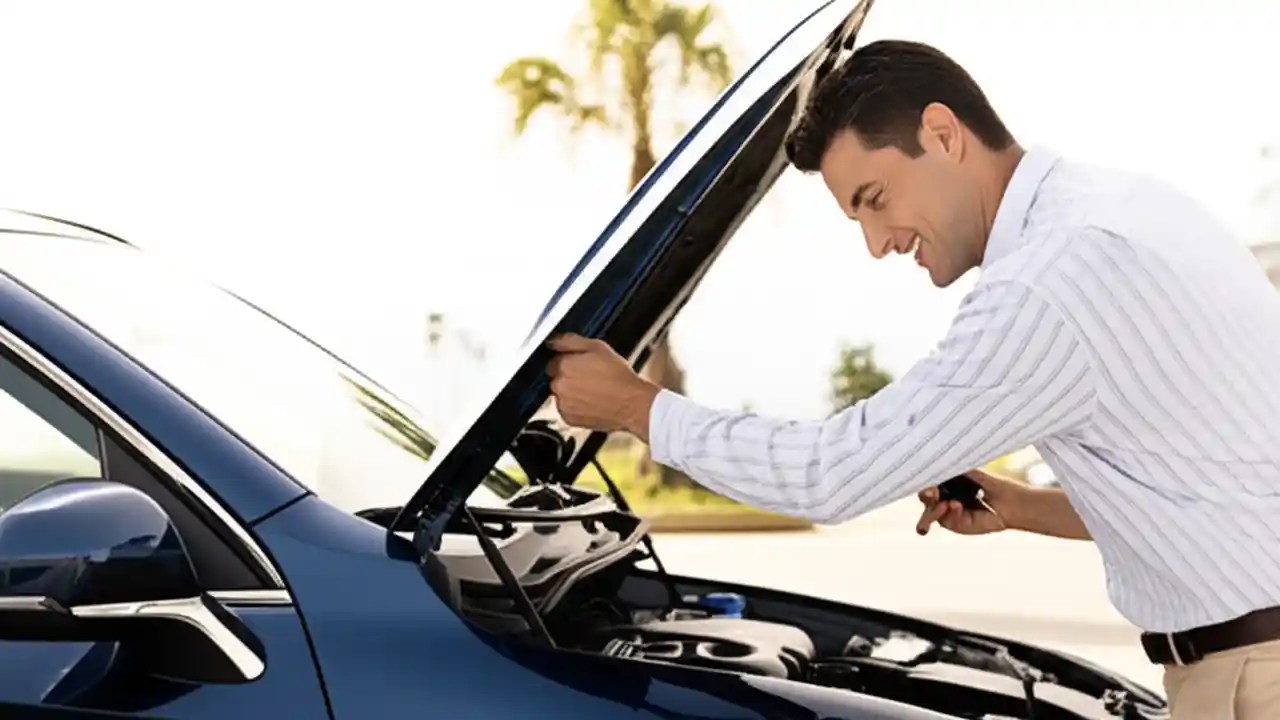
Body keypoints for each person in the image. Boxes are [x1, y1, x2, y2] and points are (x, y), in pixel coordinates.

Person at [543, 38, 1280, 717]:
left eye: (874, 199)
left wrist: (639, 408)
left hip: (1255, 676)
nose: (877, 243)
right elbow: (1203, 482)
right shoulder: (1122, 208)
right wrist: (1025, 507)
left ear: (944, 134)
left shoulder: (1048, 283)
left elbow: (832, 473)